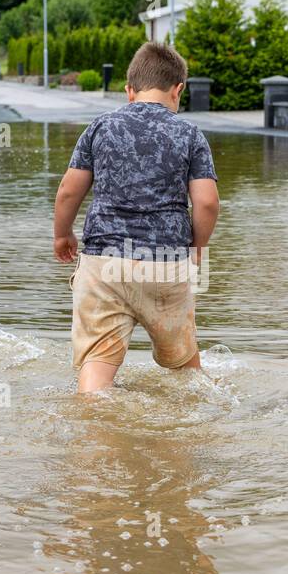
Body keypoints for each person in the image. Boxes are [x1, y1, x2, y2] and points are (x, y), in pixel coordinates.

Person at [52, 41, 221, 393]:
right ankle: (194, 430)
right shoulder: (190, 134)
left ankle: (95, 428)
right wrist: (198, 247)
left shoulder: (100, 127)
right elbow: (206, 203)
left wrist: (62, 233)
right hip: (166, 261)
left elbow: (69, 190)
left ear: (129, 91)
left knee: (97, 367)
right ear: (179, 90)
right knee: (185, 371)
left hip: (104, 262)